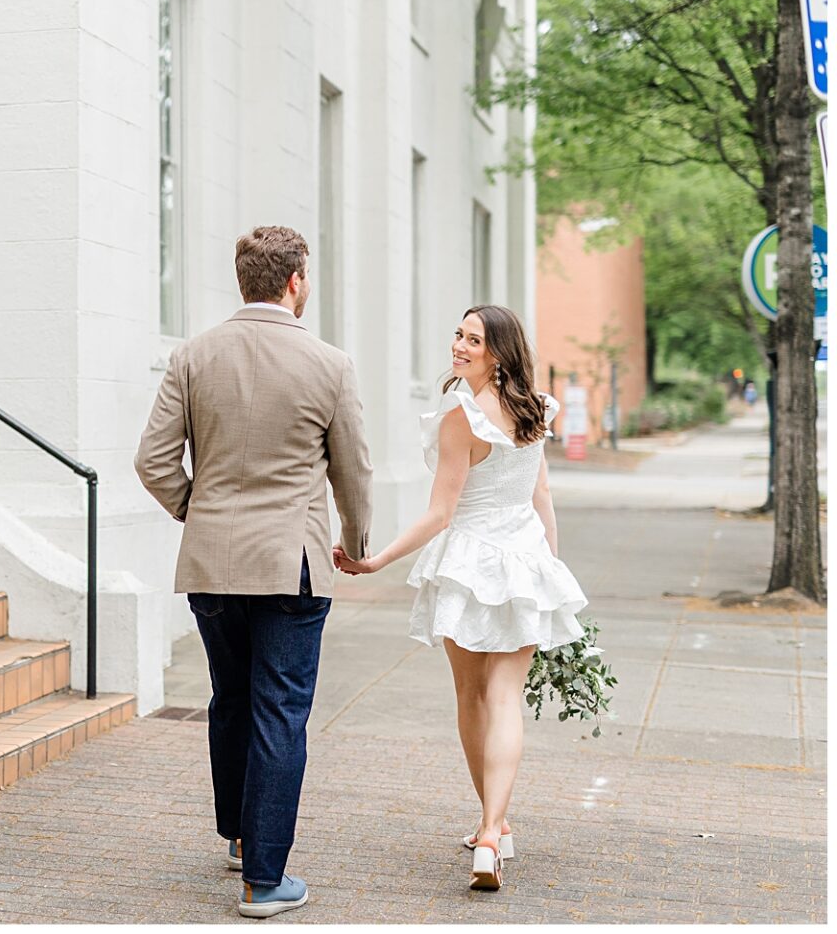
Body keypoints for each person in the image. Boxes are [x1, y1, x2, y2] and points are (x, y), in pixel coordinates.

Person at [135, 225, 373, 918]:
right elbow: (354, 470)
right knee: (279, 712)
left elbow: (152, 462)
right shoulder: (330, 363)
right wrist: (357, 542)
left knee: (231, 698)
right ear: (296, 281)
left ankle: (243, 835)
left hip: (212, 562)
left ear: (244, 280)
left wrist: (196, 511)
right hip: (290, 566)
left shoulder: (192, 356)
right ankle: (265, 880)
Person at [334, 305, 587, 892]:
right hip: (524, 563)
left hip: (470, 565)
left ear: (497, 352)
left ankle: (492, 830)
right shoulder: (539, 409)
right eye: (458, 334)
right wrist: (549, 566)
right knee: (504, 698)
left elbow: (441, 514)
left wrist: (377, 560)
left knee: (473, 697)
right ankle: (493, 829)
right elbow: (540, 493)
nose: (459, 345)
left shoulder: (460, 418)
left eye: (473, 339)